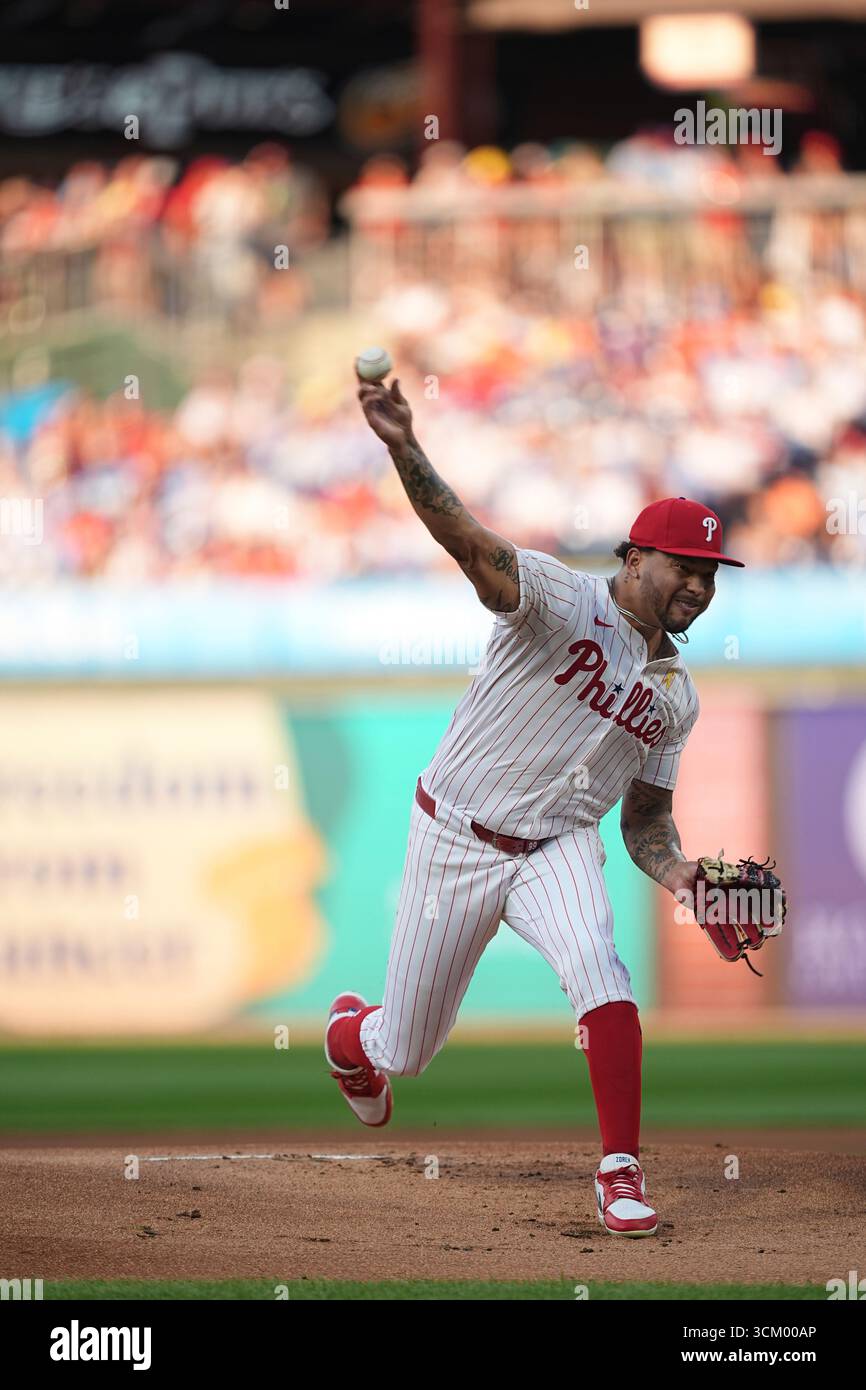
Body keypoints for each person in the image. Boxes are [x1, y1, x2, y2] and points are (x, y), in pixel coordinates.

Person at [325, 371, 743, 1238]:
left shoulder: (677, 696)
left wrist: (691, 884)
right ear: (634, 558)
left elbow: (645, 824)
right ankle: (351, 1042)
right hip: (455, 838)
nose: (699, 585)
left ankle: (620, 1173)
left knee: (603, 973)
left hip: (557, 848)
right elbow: (470, 544)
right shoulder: (559, 598)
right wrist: (404, 444)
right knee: (409, 1047)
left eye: (711, 574)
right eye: (684, 566)